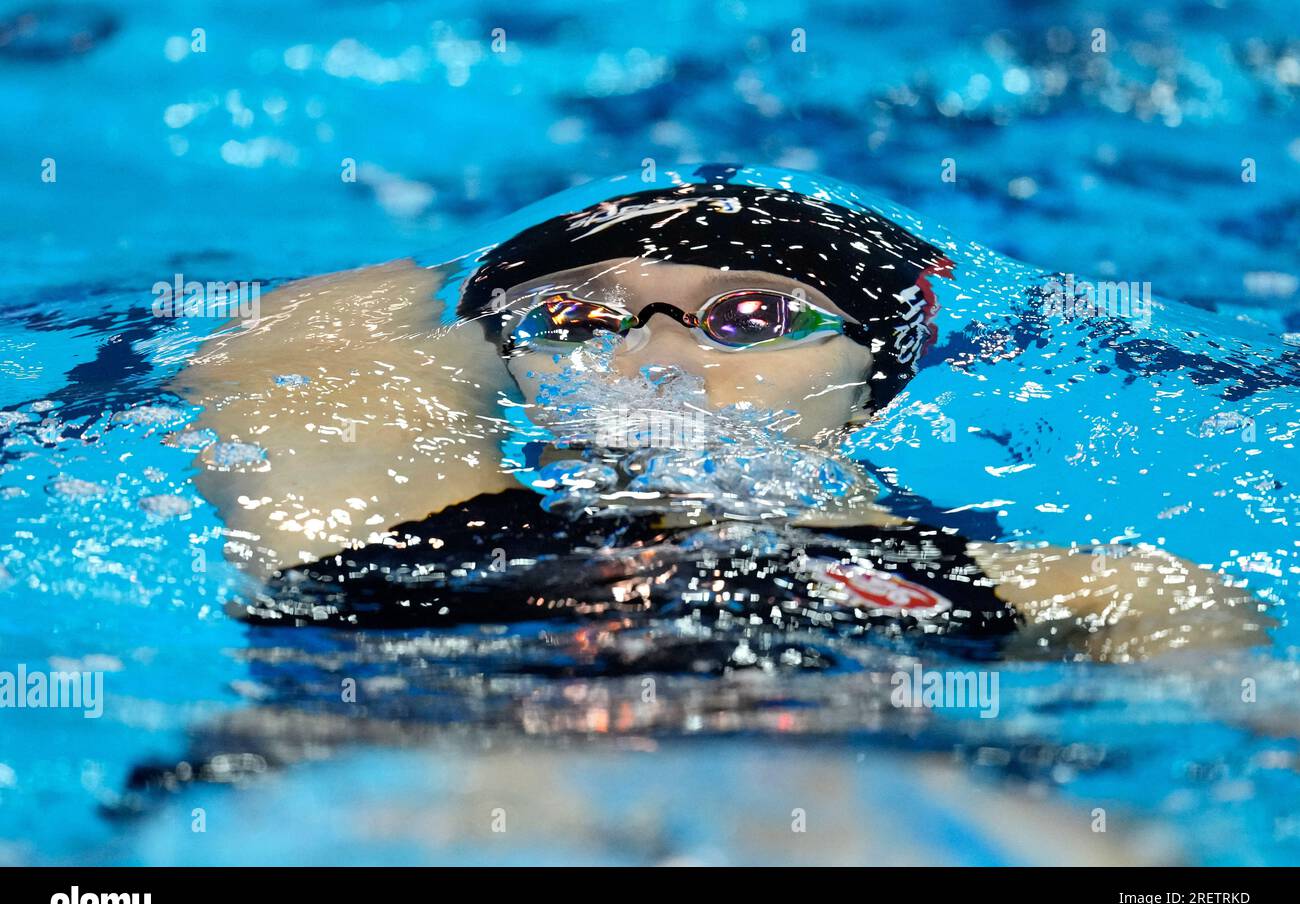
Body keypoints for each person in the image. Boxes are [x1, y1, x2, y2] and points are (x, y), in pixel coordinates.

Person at [172, 182, 1273, 661]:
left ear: (876, 374)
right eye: (578, 316)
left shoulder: (1089, 595)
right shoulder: (382, 533)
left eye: (752, 316)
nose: (652, 360)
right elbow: (319, 320)